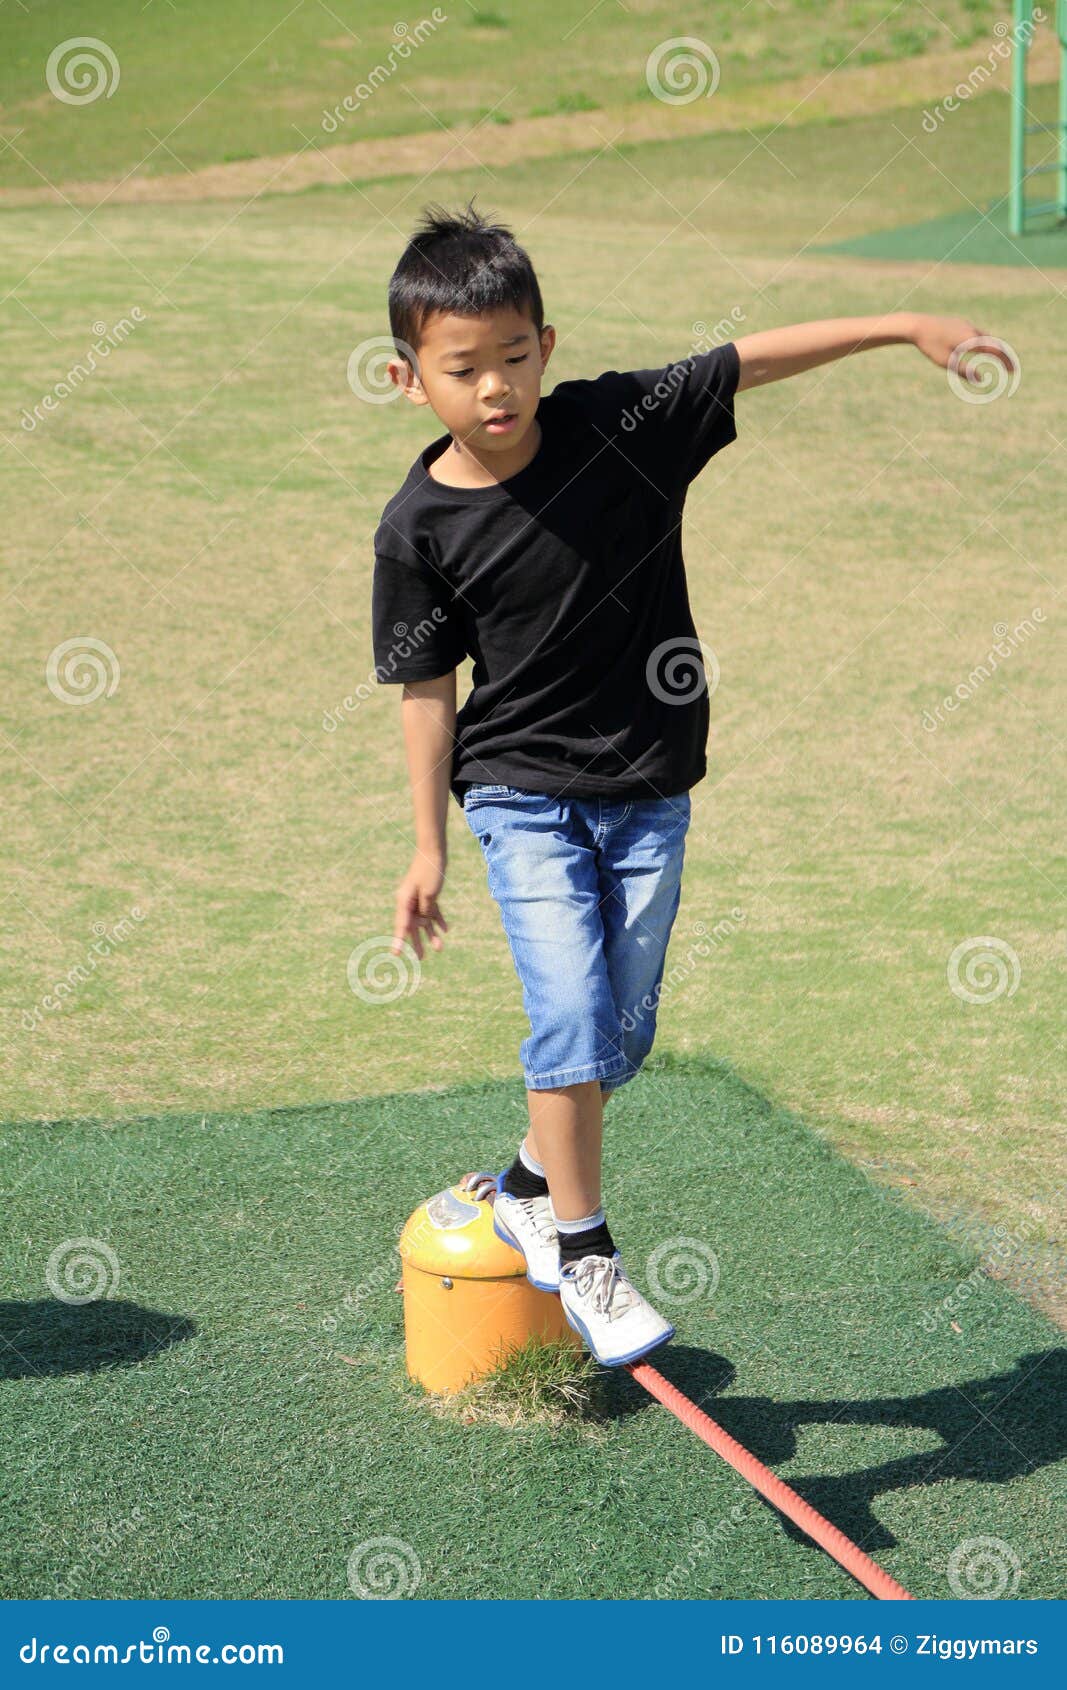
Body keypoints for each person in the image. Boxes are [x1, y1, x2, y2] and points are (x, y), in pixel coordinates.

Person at [371, 197, 1013, 1366]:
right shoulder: (416, 527)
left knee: (616, 1038)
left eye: (515, 356)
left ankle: (522, 1184)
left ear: (546, 347)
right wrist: (427, 844)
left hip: (651, 791)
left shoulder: (618, 424)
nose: (497, 388)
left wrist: (904, 321)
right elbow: (427, 692)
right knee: (566, 1012)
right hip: (517, 792)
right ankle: (585, 1252)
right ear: (409, 378)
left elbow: (745, 360)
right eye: (464, 369)